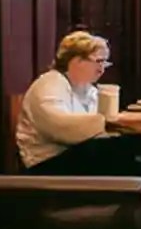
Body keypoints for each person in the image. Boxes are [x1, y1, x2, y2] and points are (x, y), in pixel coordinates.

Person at [17, 31, 130, 174]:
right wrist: (106, 122)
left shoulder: (90, 90)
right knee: (113, 151)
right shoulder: (49, 84)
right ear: (76, 60)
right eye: (98, 61)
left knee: (127, 146)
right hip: (45, 163)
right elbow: (59, 129)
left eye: (105, 63)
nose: (102, 69)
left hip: (72, 156)